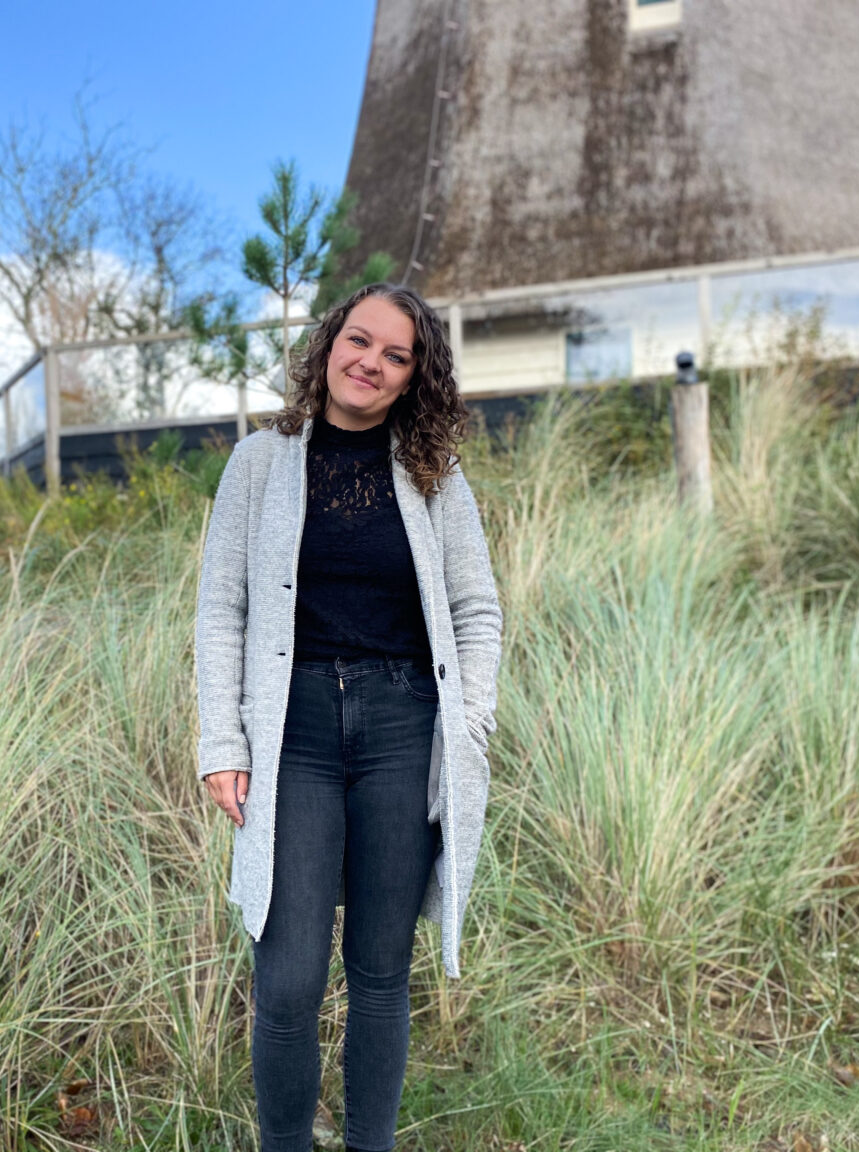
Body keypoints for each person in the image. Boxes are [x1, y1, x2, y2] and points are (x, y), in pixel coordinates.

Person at [194, 281, 504, 1152]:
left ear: (414, 377)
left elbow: (477, 609)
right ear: (330, 343)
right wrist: (222, 739)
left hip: (403, 731)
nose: (370, 362)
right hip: (291, 734)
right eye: (359, 340)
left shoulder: (436, 475)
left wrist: (469, 722)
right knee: (289, 977)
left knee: (379, 972)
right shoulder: (259, 463)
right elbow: (221, 609)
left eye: (396, 355)